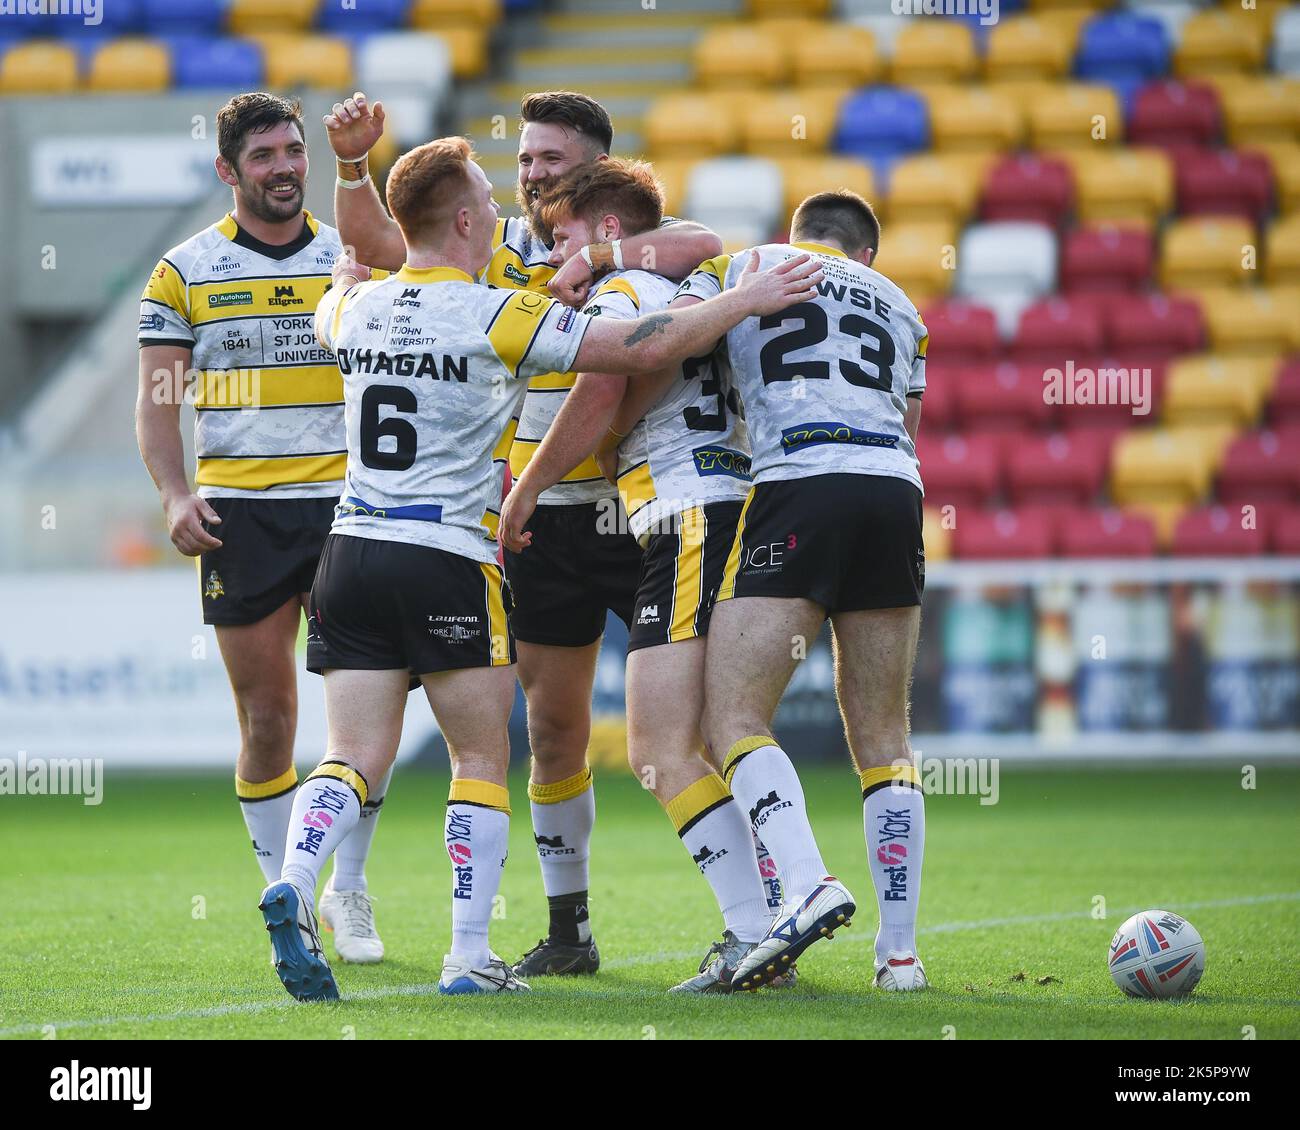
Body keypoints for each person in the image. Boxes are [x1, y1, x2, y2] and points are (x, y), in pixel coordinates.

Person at [256, 136, 823, 1001]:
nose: (502, 203)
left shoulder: (353, 313)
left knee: (350, 753)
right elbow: (637, 348)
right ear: (466, 217)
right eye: (488, 192)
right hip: (450, 554)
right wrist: (742, 300)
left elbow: (337, 291)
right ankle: (469, 955)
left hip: (352, 549)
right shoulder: (497, 314)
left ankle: (297, 881)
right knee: (481, 757)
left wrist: (343, 263)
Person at [324, 89, 725, 977]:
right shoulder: (494, 247)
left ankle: (761, 910)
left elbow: (703, 244)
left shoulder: (622, 238)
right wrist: (354, 167)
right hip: (545, 523)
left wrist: (600, 255)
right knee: (551, 728)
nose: (532, 171)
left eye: (550, 158)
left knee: (699, 727)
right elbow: (382, 245)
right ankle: (568, 928)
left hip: (639, 506)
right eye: (526, 159)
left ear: (595, 164)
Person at [499, 159, 797, 992]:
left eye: (562, 229)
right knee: (705, 735)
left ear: (604, 228)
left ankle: (776, 914)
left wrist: (525, 490)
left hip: (682, 513)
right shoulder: (693, 274)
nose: (532, 174)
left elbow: (601, 391)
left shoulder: (624, 289)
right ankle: (768, 919)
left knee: (666, 748)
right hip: (715, 507)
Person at [135, 92, 387, 966]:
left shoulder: (347, 256)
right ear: (228, 171)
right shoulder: (184, 270)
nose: (285, 167)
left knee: (364, 714)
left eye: (293, 151)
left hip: (349, 503)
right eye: (265, 156)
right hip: (237, 515)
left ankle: (346, 890)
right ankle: (291, 898)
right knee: (269, 718)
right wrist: (174, 495)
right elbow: (159, 402)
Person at [675, 191, 931, 992]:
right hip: (894, 491)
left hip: (798, 484)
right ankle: (899, 957)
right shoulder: (903, 307)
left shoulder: (749, 267)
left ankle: (809, 882)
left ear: (801, 240)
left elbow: (677, 344)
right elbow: (910, 419)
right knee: (885, 737)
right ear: (867, 255)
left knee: (733, 717)